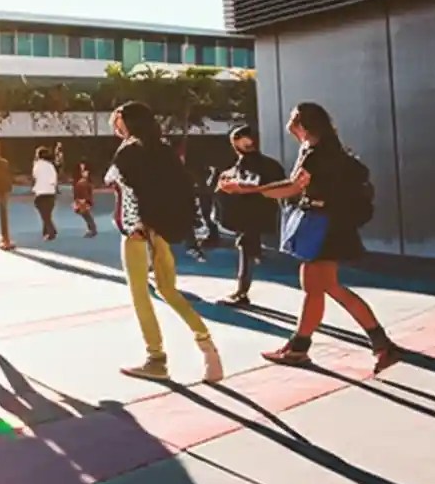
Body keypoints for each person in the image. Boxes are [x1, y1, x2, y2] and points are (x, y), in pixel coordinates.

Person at [218, 102, 402, 372]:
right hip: (331, 225)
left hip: (324, 227)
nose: (289, 128)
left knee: (324, 287)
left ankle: (378, 344)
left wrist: (245, 189)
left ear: (303, 125)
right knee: (318, 287)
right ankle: (303, 346)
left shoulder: (316, 153)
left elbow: (292, 186)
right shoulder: (328, 149)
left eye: (292, 122)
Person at [105, 101, 223, 382]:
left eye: (118, 120)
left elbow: (129, 193)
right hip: (163, 231)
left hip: (138, 233)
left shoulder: (129, 151)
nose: (115, 125)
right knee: (169, 290)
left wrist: (133, 226)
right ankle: (208, 348)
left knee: (140, 294)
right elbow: (182, 189)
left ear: (128, 122)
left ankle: (156, 358)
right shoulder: (164, 150)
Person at [213, 125, 286, 307]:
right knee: (247, 246)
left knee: (245, 247)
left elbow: (246, 186)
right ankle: (242, 288)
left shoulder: (249, 164)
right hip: (261, 213)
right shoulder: (267, 164)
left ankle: (241, 292)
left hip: (250, 214)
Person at [31, 146, 59, 240]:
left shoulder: (37, 165)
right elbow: (54, 179)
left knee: (44, 214)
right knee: (47, 213)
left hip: (41, 191)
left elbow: (35, 177)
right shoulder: (50, 165)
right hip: (50, 191)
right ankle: (46, 231)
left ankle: (51, 231)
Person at [71, 159, 98, 238]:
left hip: (84, 199)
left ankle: (92, 229)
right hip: (81, 199)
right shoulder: (80, 180)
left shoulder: (85, 182)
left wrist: (85, 199)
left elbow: (88, 191)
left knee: (85, 214)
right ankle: (92, 229)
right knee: (84, 214)